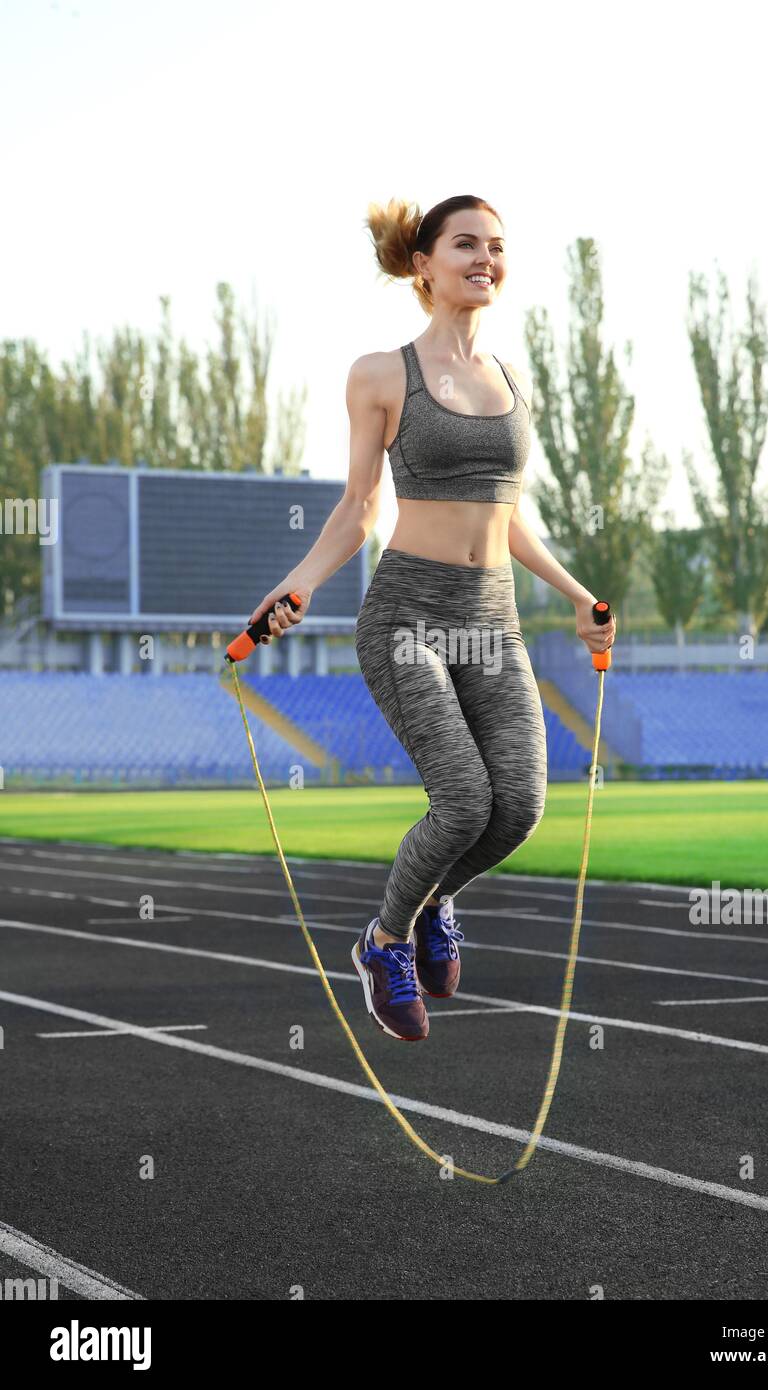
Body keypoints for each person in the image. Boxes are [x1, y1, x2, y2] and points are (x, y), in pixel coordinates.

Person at [248, 194, 616, 1044]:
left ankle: (430, 903)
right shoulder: (382, 373)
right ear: (423, 264)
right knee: (462, 801)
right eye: (465, 245)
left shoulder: (511, 382)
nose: (484, 258)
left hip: (492, 619)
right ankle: (383, 943)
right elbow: (357, 508)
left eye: (496, 246)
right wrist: (296, 585)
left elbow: (507, 515)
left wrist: (576, 595)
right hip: (407, 613)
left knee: (518, 807)